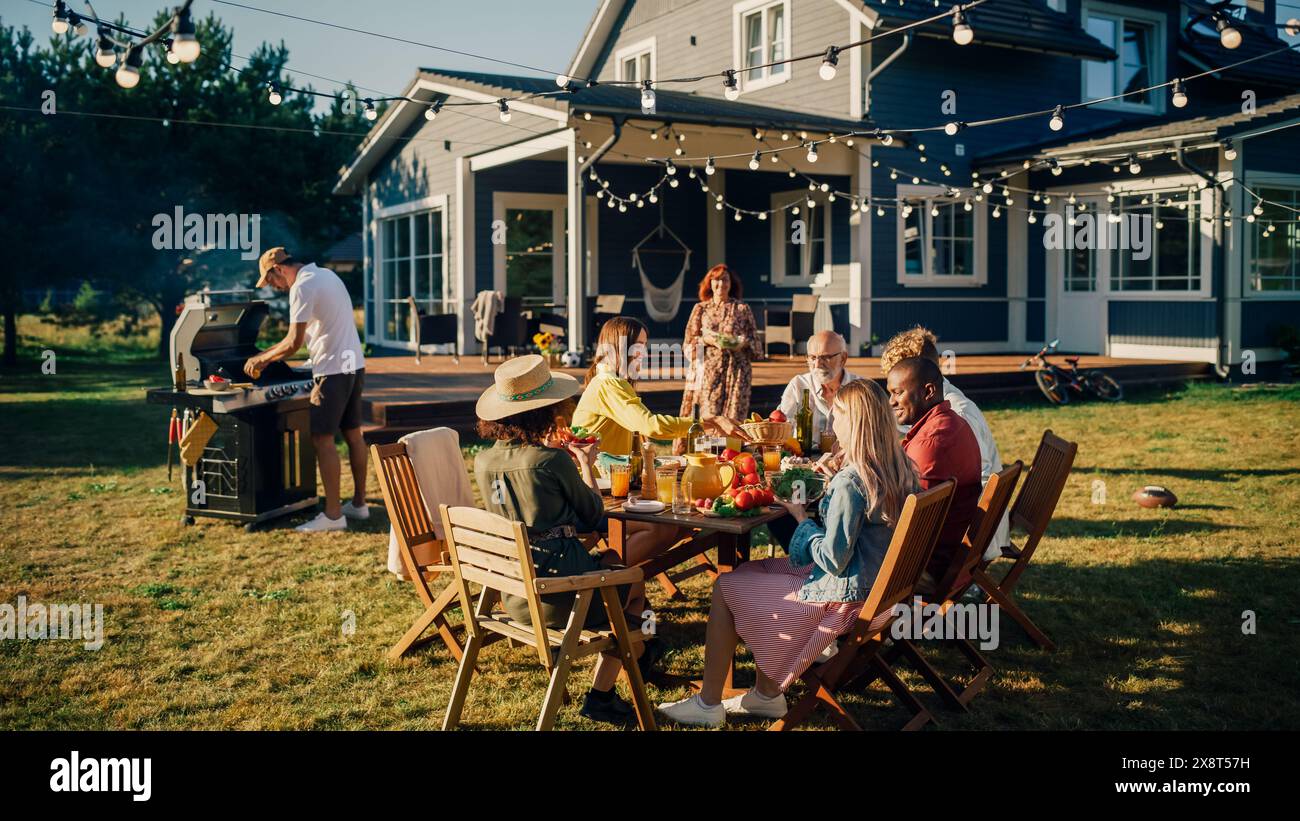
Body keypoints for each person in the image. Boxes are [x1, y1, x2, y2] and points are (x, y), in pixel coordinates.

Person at [656, 380, 919, 727]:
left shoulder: (852, 482)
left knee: (725, 586)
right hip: (880, 596)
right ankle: (766, 695)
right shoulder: (898, 467)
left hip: (844, 601)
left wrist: (800, 518)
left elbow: (833, 558)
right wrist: (829, 487)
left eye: (836, 416)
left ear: (854, 422)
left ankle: (708, 705)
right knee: (752, 571)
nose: (831, 424)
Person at [473, 354, 645, 726]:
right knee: (634, 580)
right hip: (559, 598)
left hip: (515, 594)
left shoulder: (483, 463)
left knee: (613, 556)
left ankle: (638, 646)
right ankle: (614, 675)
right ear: (547, 410)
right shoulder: (550, 460)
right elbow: (595, 516)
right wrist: (584, 462)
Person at [572, 316, 750, 629]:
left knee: (682, 527)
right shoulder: (608, 384)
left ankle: (625, 590)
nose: (643, 354)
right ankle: (599, 582)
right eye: (638, 347)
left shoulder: (613, 381)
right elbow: (650, 424)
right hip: (593, 491)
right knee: (667, 527)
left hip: (615, 482)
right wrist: (704, 421)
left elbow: (636, 435)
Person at [244, 246, 368, 533]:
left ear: (278, 269)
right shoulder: (327, 275)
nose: (274, 287)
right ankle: (359, 505)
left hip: (332, 371)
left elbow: (292, 343)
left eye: (271, 281)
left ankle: (334, 516)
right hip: (354, 365)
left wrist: (260, 359)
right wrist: (267, 354)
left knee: (322, 438)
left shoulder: (301, 286)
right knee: (353, 435)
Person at [880, 326, 1009, 557]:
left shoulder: (957, 414)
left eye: (899, 388)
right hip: (956, 528)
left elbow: (980, 475)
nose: (892, 400)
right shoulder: (935, 409)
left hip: (969, 535)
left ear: (922, 378)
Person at [885, 356, 982, 584]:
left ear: (928, 391)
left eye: (898, 392)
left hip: (925, 567)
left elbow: (908, 525)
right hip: (951, 553)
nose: (891, 402)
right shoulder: (951, 422)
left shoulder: (930, 444)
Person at [676, 265, 757, 452]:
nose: (721, 284)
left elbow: (755, 342)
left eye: (725, 279)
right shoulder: (700, 309)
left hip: (735, 371)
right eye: (717, 279)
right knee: (708, 413)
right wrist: (706, 339)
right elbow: (688, 342)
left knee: (734, 414)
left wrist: (741, 343)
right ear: (710, 283)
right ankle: (702, 454)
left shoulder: (742, 309)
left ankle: (731, 456)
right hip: (707, 370)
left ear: (731, 284)